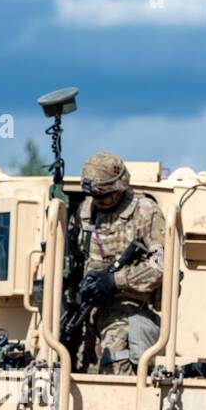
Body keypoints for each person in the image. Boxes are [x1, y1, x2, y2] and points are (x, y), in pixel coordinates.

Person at [74, 151, 166, 374]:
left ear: (118, 188)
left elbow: (161, 266)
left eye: (103, 195)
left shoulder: (144, 212)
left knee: (117, 367)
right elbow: (75, 260)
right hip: (90, 314)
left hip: (129, 312)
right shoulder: (85, 214)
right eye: (94, 195)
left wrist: (114, 281)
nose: (98, 201)